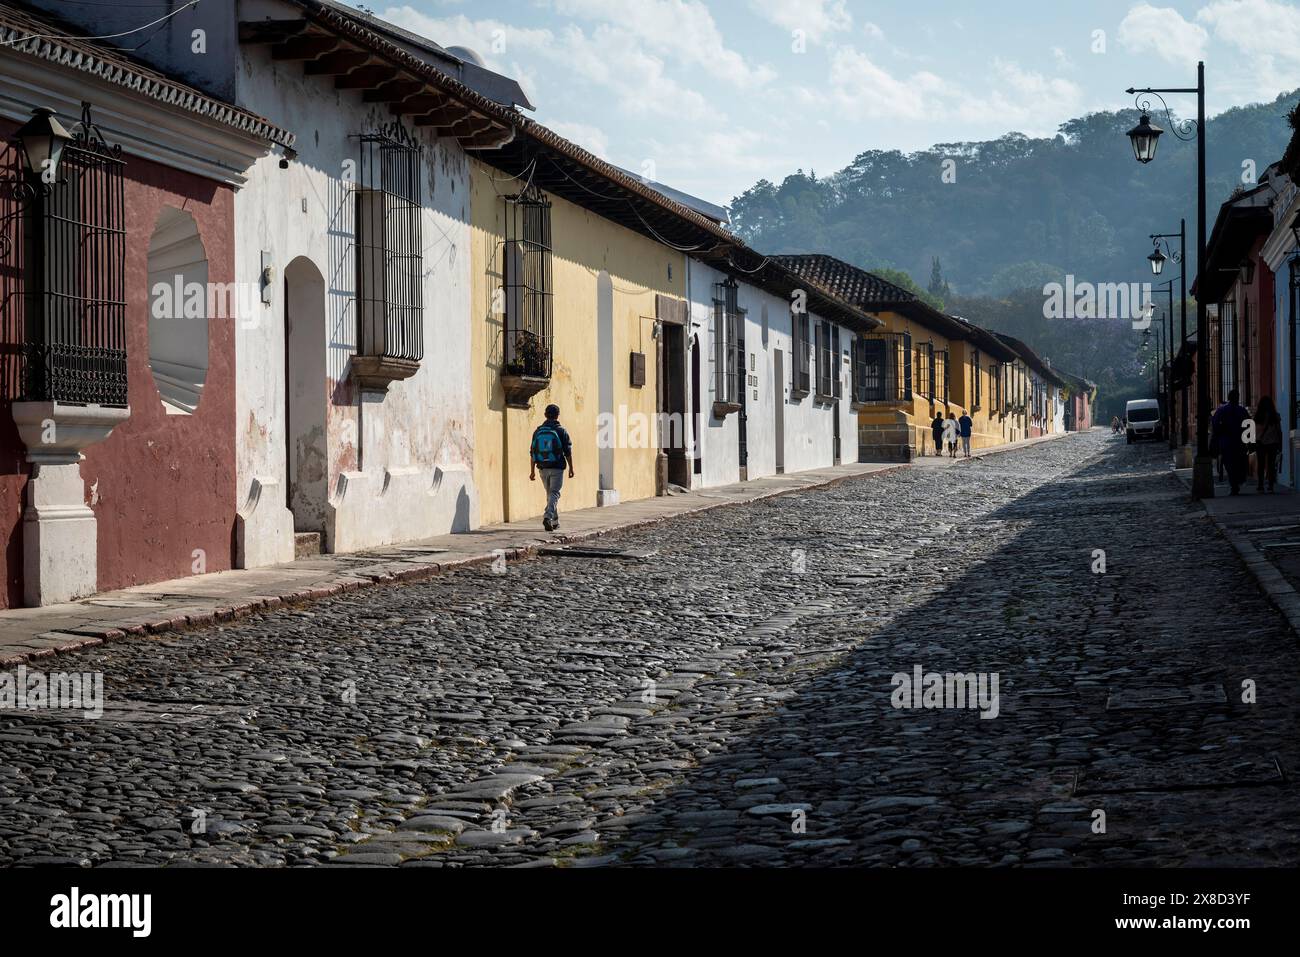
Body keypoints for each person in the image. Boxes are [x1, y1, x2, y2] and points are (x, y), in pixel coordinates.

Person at [530, 404, 574, 531]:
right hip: (557, 467)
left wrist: (532, 471)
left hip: (542, 468)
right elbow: (568, 452)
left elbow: (532, 452)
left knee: (550, 494)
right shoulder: (561, 431)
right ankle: (547, 517)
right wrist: (571, 468)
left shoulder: (538, 431)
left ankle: (555, 522)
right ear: (557, 415)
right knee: (554, 493)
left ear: (545, 415)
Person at [1211, 390, 1250, 496]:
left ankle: (1234, 484)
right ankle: (1236, 483)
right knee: (1238, 463)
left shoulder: (1221, 410)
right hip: (1240, 442)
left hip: (1226, 442)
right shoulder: (1242, 410)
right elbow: (1249, 425)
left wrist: (1216, 439)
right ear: (1237, 398)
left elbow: (1215, 426)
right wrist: (1250, 442)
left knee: (1229, 464)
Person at [1255, 395, 1282, 494]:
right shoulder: (1275, 416)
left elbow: (1255, 431)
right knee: (1271, 465)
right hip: (1273, 443)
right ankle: (1270, 486)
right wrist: (1280, 444)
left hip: (1261, 443)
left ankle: (1260, 485)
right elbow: (1279, 431)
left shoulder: (1258, 416)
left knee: (1261, 465)